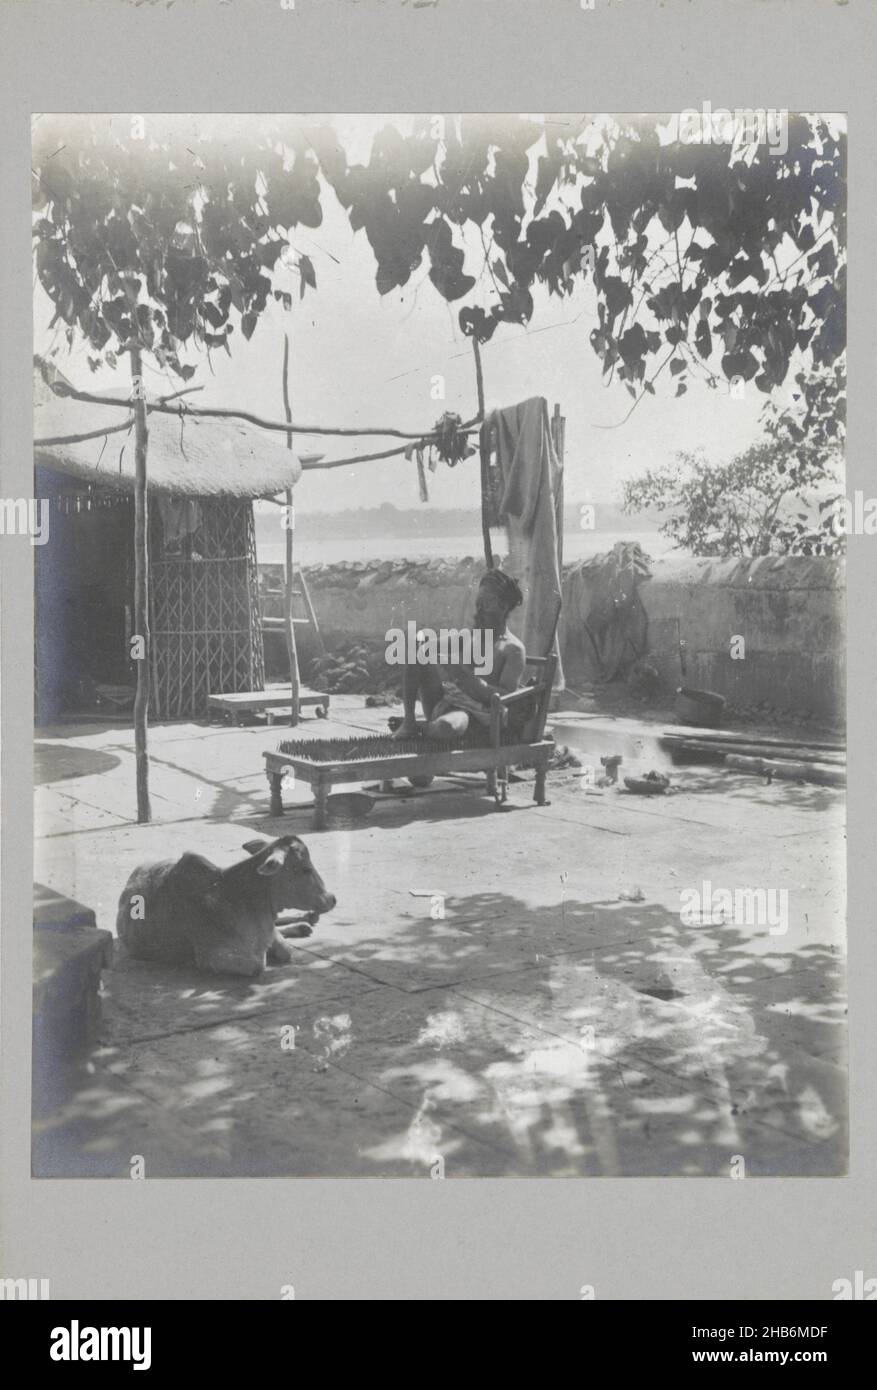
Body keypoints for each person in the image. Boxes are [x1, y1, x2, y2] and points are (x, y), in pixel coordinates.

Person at [393, 569, 526, 741]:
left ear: (504, 606)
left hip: (478, 714)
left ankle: (425, 729)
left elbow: (507, 696)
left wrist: (466, 677)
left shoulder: (513, 649)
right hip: (448, 702)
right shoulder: (470, 636)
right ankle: (409, 722)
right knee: (417, 654)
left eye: (486, 603)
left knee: (445, 727)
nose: (480, 609)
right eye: (478, 603)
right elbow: (426, 648)